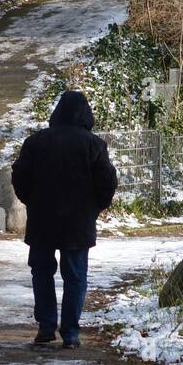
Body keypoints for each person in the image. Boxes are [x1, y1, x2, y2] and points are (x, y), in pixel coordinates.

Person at [11, 90, 117, 348]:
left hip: (42, 220)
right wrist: (95, 208)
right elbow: (108, 182)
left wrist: (31, 202)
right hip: (78, 224)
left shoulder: (35, 142)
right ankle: (70, 333)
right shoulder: (94, 145)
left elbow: (19, 177)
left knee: (42, 272)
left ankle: (46, 326)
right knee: (76, 277)